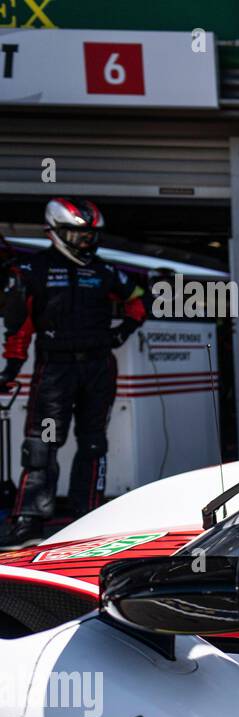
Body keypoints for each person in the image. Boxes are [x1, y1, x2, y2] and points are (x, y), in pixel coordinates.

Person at [0, 198, 149, 550]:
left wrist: (122, 331)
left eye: (91, 236)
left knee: (93, 441)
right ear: (55, 232)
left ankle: (88, 514)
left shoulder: (104, 271)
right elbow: (19, 326)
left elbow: (140, 299)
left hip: (98, 367)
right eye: (78, 235)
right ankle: (30, 520)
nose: (87, 243)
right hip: (55, 369)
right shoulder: (32, 270)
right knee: (42, 443)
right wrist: (11, 366)